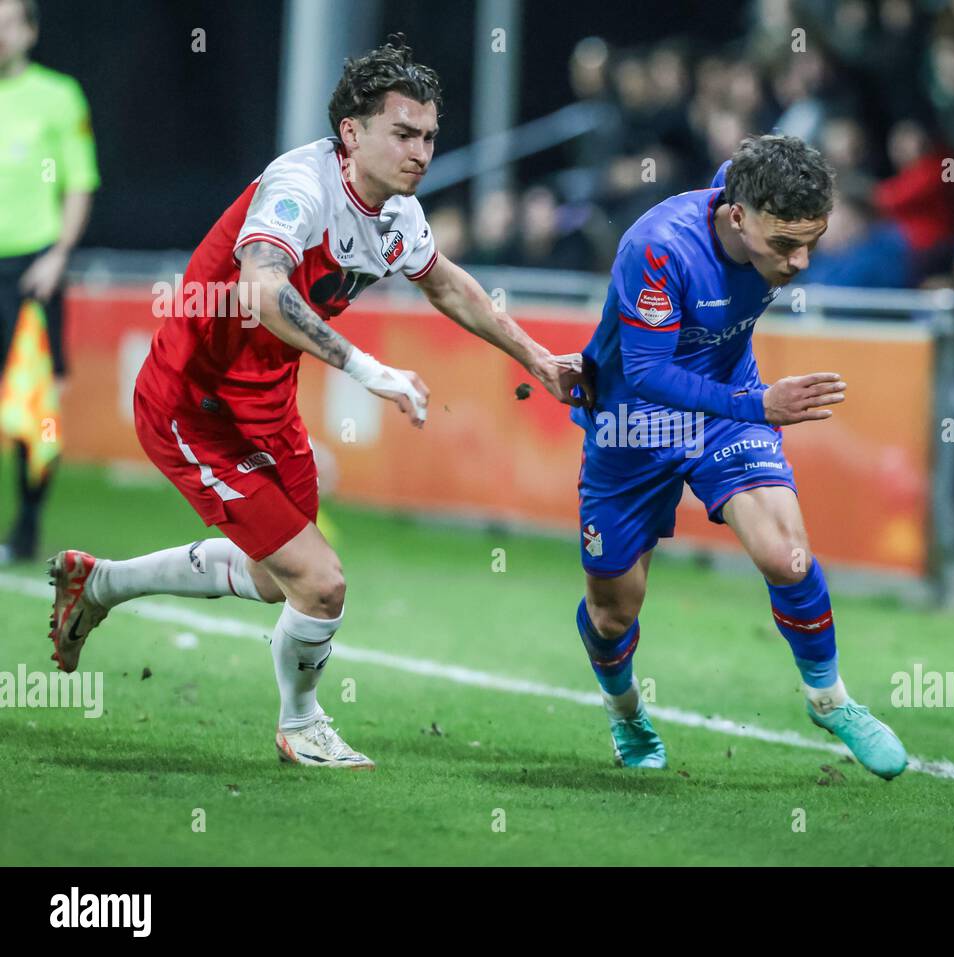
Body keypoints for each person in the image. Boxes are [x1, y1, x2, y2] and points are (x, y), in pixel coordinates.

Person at [46, 35, 588, 769]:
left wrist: (538, 359)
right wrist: (368, 368)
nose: (421, 151)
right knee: (321, 581)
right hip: (191, 404)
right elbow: (260, 291)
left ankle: (100, 583)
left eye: (429, 136)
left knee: (278, 578)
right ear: (352, 133)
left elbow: (448, 284)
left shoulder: (398, 212)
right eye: (404, 133)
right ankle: (301, 724)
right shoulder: (300, 188)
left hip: (266, 403)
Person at [569, 134, 908, 779]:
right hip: (633, 426)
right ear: (736, 218)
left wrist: (749, 406)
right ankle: (626, 711)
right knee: (615, 612)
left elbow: (758, 158)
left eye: (814, 239)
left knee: (787, 554)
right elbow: (645, 372)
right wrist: (761, 406)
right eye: (785, 246)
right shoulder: (659, 248)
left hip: (728, 410)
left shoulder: (754, 188)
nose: (801, 261)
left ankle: (829, 699)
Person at [0, 0, 99, 563]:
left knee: (35, 403)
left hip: (32, 272)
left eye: (8, 21)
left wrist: (59, 253)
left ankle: (26, 527)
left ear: (30, 31)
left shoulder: (58, 96)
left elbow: (79, 182)